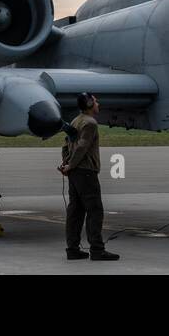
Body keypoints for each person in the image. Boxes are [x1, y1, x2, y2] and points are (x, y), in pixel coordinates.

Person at [58, 93, 119, 261]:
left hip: (75, 173)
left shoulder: (75, 121)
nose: (98, 103)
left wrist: (66, 164)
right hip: (85, 172)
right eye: (95, 101)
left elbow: (66, 144)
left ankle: (72, 249)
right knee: (95, 210)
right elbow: (82, 147)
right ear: (90, 103)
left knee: (75, 211)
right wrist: (71, 165)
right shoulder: (90, 123)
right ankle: (97, 249)